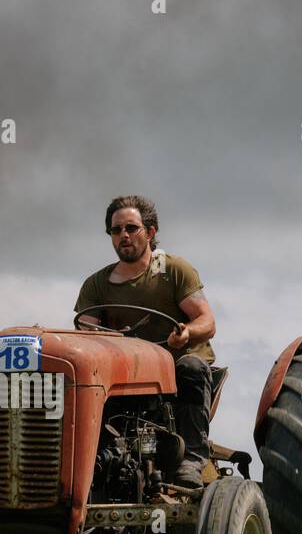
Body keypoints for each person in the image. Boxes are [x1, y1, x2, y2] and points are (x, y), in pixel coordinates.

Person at [74, 195, 218, 488]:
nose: (123, 236)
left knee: (191, 366)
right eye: (116, 230)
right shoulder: (96, 285)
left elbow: (207, 321)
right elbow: (85, 334)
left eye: (131, 228)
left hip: (175, 369)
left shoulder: (174, 270)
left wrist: (186, 333)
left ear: (150, 232)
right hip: (125, 375)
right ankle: (89, 465)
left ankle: (191, 459)